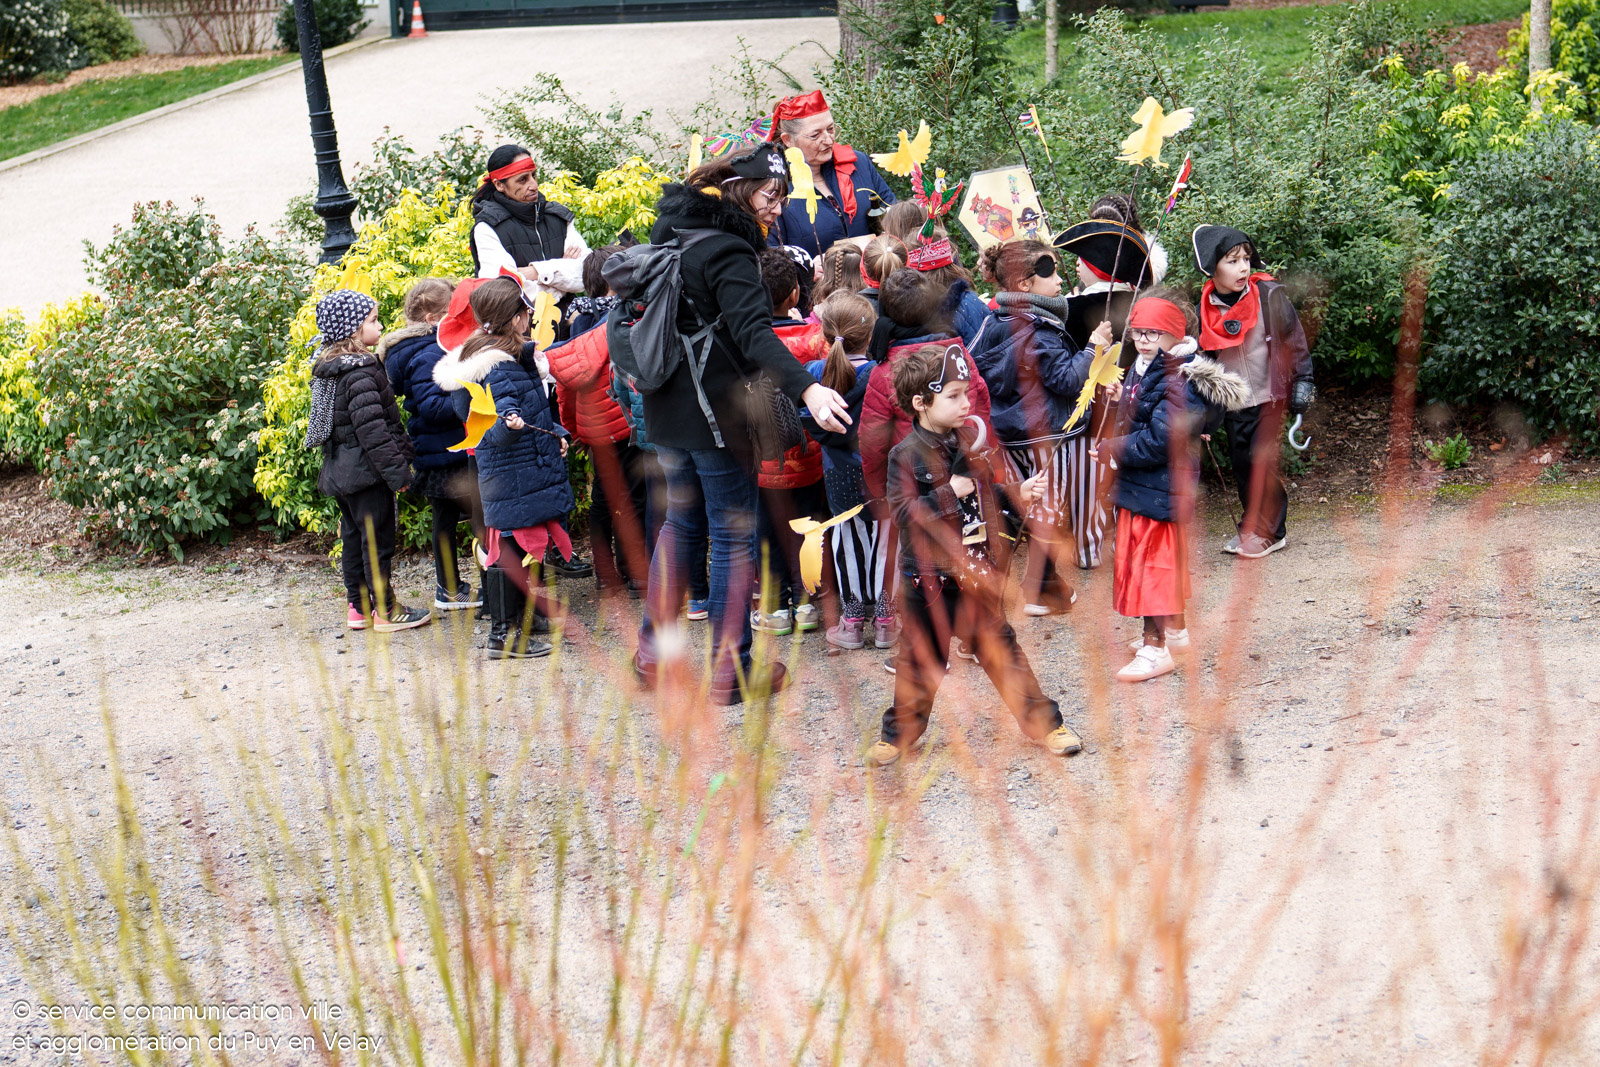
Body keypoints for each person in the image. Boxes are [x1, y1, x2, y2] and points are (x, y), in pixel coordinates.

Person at [631, 144, 853, 706]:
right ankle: (732, 672)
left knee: (680, 526)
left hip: (665, 407)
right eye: (769, 195)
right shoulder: (730, 251)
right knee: (730, 536)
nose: (777, 207)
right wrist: (807, 385)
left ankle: (653, 655)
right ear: (737, 191)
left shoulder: (671, 232)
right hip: (716, 414)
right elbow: (755, 336)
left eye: (781, 195)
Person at [870, 343, 1082, 766]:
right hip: (926, 583)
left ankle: (1045, 724)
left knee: (1005, 656)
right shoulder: (904, 456)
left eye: (966, 393)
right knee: (917, 664)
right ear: (921, 403)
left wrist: (1015, 493)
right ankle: (899, 735)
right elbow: (903, 513)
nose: (966, 403)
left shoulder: (970, 440)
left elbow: (986, 492)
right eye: (953, 396)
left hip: (976, 576)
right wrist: (952, 490)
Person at [1092, 292, 1249, 682]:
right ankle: (1175, 632)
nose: (1143, 339)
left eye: (1154, 332)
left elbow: (1162, 439)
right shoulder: (1148, 366)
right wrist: (1120, 399)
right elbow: (1143, 414)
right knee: (1160, 565)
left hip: (1158, 487)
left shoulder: (1179, 377)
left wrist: (1113, 449)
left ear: (1174, 334)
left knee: (1153, 570)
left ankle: (1155, 648)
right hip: (1147, 486)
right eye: (1139, 331)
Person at [470, 143, 596, 580]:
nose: (533, 186)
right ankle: (535, 558)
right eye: (521, 179)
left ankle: (558, 542)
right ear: (499, 183)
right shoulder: (488, 226)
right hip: (519, 347)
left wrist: (536, 272)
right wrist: (555, 272)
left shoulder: (558, 215)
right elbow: (504, 286)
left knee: (560, 440)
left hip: (564, 338)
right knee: (535, 443)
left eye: (533, 176)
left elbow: (587, 272)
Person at [858, 267, 995, 665]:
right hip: (956, 483)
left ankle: (927, 645)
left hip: (921, 489)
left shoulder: (884, 371)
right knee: (968, 551)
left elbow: (873, 440)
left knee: (925, 566)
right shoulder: (961, 358)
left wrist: (879, 490)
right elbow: (982, 413)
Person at [433, 277, 574, 659]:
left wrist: (555, 432)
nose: (530, 313)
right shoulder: (491, 366)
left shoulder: (513, 355)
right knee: (510, 548)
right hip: (512, 473)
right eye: (525, 309)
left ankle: (519, 622)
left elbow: (532, 409)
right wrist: (506, 428)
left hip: (524, 470)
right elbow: (482, 430)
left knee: (521, 547)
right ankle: (504, 634)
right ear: (512, 319)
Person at [973, 239, 1108, 612]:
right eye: (1049, 272)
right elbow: (1066, 380)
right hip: (1049, 434)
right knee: (1049, 508)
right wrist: (1093, 348)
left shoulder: (994, 320)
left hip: (1014, 434)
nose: (1061, 280)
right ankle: (1042, 587)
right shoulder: (1039, 330)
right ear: (1024, 285)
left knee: (1034, 503)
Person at [307, 289, 431, 633]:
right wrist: (398, 473)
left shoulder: (330, 369)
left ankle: (359, 608)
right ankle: (386, 609)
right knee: (376, 543)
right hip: (366, 474)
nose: (379, 326)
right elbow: (373, 431)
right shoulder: (360, 372)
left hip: (342, 474)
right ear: (352, 330)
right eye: (373, 320)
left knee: (353, 539)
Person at [1192, 225, 1316, 559]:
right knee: (1242, 464)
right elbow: (1203, 363)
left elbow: (1296, 343)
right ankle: (1252, 527)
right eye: (1232, 261)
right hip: (1234, 402)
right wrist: (1203, 414)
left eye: (1246, 259)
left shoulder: (1269, 296)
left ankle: (1272, 532)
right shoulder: (1205, 310)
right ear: (1212, 265)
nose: (1244, 267)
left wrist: (1305, 385)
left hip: (1269, 394)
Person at [380, 277, 487, 613]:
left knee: (445, 521)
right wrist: (472, 402)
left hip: (437, 450)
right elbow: (431, 405)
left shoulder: (415, 349)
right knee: (479, 519)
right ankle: (475, 587)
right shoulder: (427, 352)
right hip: (448, 451)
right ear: (431, 320)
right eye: (450, 313)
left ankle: (450, 587)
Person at [544, 279, 643, 600]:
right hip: (628, 427)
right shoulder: (623, 324)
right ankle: (636, 573)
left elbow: (565, 390)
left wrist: (573, 430)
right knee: (637, 498)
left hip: (596, 432)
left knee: (603, 501)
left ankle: (605, 574)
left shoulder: (578, 330)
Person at [752, 248, 830, 635]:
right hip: (810, 456)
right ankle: (806, 604)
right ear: (795, 295)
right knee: (809, 529)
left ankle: (774, 609)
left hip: (765, 463)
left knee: (767, 532)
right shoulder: (816, 337)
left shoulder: (748, 344)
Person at [803, 290, 885, 650]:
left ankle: (851, 621)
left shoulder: (813, 376)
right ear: (871, 334)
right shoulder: (882, 374)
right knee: (886, 540)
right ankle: (886, 619)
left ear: (824, 334)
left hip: (837, 472)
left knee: (847, 540)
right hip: (879, 471)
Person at [768, 89, 897, 257]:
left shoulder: (858, 163)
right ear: (788, 140)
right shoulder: (776, 187)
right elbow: (770, 256)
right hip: (817, 282)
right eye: (816, 135)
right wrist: (808, 267)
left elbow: (893, 213)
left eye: (830, 129)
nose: (829, 140)